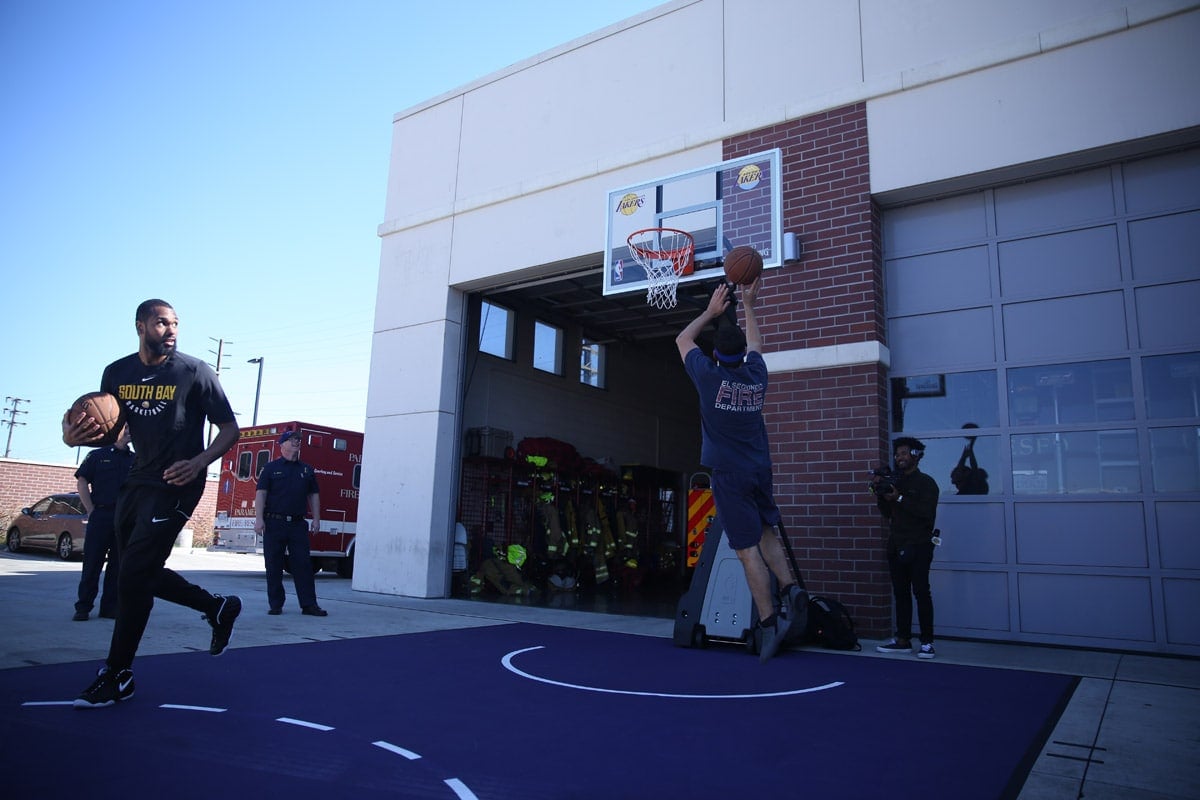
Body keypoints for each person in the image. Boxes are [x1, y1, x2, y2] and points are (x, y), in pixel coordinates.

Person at [62, 298, 243, 708]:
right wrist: (71, 436)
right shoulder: (117, 373)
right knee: (132, 574)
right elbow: (108, 427)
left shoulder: (194, 371)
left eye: (176, 323)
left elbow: (230, 428)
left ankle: (115, 673)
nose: (171, 329)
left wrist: (199, 462)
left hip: (179, 481)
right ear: (141, 325)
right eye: (162, 323)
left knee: (134, 573)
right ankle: (215, 607)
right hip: (137, 480)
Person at [676, 279, 803, 663]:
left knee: (747, 551)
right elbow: (757, 346)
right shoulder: (756, 378)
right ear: (741, 356)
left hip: (729, 474)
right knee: (766, 531)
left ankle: (768, 624)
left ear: (715, 354)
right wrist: (749, 303)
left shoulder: (709, 377)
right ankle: (791, 588)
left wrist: (711, 312)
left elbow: (683, 340)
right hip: (759, 469)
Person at [873, 436, 940, 658]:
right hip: (896, 543)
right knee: (900, 593)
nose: (898, 457)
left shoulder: (926, 483)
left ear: (916, 456)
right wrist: (880, 494)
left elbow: (925, 514)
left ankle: (927, 642)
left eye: (903, 453)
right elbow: (886, 513)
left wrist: (900, 498)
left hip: (919, 544)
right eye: (897, 454)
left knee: (921, 592)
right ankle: (902, 639)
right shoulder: (896, 481)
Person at [254, 429, 327, 616]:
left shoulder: (306, 470)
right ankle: (276, 604)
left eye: (298, 440)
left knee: (303, 565)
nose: (296, 442)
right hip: (274, 523)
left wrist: (316, 518)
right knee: (273, 564)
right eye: (292, 439)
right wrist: (259, 519)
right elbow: (261, 494)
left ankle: (309, 605)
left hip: (297, 524)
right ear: (282, 444)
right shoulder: (270, 468)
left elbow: (314, 495)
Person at [72, 425, 134, 621]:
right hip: (101, 515)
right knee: (92, 563)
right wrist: (91, 510)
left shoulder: (135, 460)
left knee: (118, 566)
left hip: (124, 519)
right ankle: (83, 607)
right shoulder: (97, 455)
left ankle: (109, 608)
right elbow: (82, 481)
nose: (130, 431)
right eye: (126, 428)